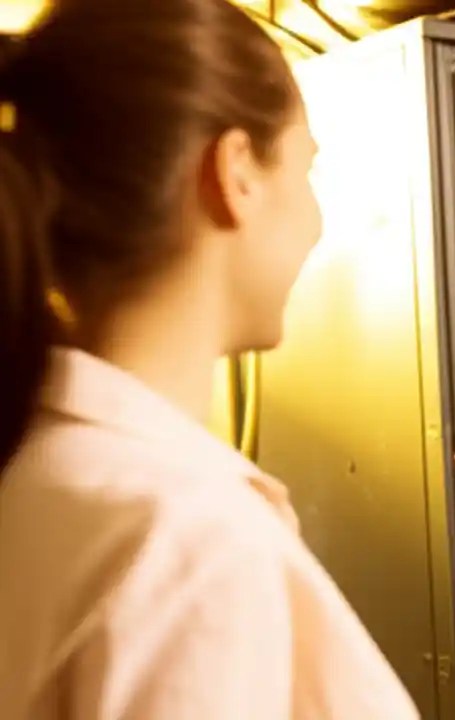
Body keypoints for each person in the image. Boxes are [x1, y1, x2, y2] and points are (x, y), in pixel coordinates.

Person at [0, 1, 418, 717]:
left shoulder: (37, 466)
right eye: (307, 165)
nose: (317, 217)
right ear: (236, 174)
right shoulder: (186, 535)